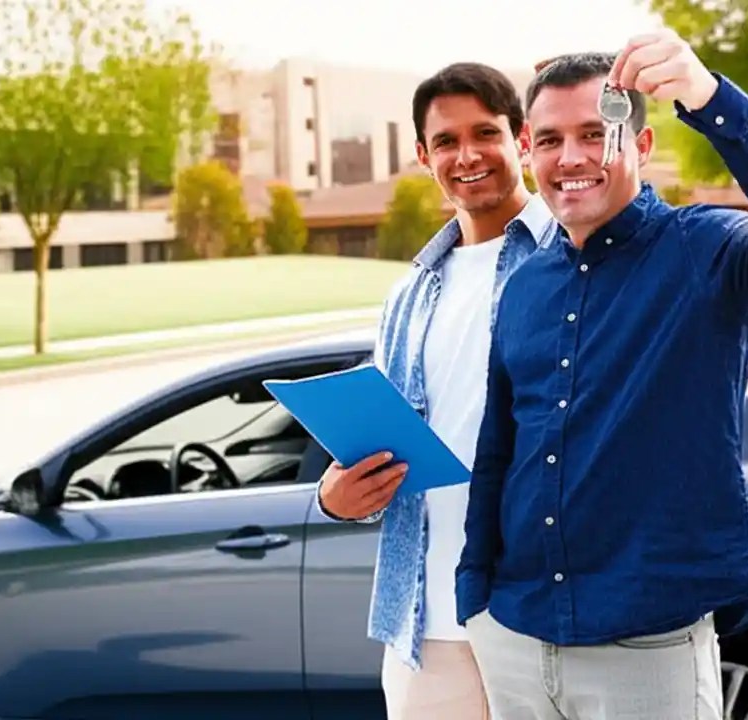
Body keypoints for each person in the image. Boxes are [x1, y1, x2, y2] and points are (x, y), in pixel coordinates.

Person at [456, 30, 748, 720]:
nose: (571, 157)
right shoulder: (524, 285)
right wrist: (477, 598)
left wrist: (709, 98)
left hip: (646, 648)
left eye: (594, 133)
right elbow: (500, 450)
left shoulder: (704, 250)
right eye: (550, 140)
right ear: (528, 151)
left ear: (640, 144)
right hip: (516, 638)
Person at [314, 61, 558, 719]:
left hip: (539, 613)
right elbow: (379, 441)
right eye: (446, 141)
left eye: (485, 133)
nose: (467, 155)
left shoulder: (571, 258)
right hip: (424, 622)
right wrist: (338, 497)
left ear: (521, 139)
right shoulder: (409, 293)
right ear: (424, 157)